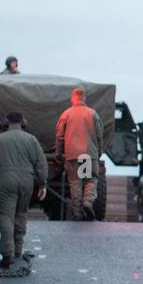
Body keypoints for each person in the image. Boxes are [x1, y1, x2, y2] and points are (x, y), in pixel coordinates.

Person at [0, 112, 47, 268]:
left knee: (6, 216)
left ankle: (7, 253)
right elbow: (41, 163)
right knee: (21, 214)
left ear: (6, 123)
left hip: (6, 180)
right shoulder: (31, 140)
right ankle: (18, 250)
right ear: (23, 123)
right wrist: (42, 184)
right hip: (27, 181)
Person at [56, 86, 104, 220]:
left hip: (72, 155)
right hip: (88, 154)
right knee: (90, 179)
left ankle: (77, 212)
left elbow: (60, 136)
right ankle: (88, 202)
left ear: (73, 98)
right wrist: (99, 151)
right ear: (84, 98)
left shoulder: (66, 114)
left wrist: (59, 153)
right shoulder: (92, 113)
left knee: (75, 182)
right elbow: (100, 135)